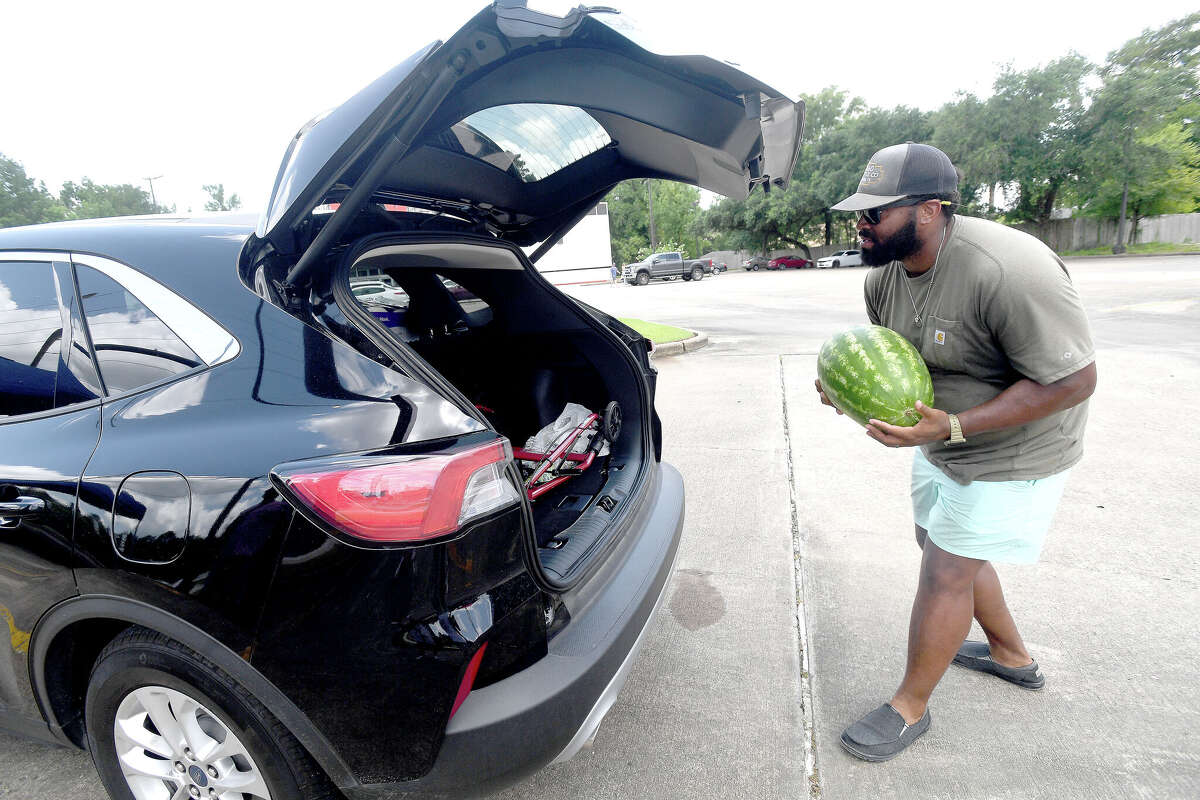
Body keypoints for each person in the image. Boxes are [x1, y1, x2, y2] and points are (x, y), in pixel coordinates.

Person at [815, 142, 1097, 762]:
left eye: (875, 213)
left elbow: (1074, 380)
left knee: (945, 570)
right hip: (943, 436)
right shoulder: (881, 278)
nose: (860, 225)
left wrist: (955, 426)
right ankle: (1009, 654)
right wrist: (849, 394)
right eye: (858, 213)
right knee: (941, 544)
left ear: (930, 211)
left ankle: (909, 707)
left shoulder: (1008, 269)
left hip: (1020, 444)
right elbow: (896, 362)